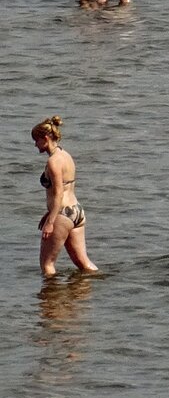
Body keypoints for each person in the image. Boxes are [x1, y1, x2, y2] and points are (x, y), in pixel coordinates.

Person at [32, 116, 97, 277]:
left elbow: (59, 192)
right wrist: (49, 213)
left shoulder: (53, 162)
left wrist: (51, 221)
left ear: (46, 138)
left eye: (37, 140)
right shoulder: (65, 155)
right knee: (83, 263)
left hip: (63, 214)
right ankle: (95, 288)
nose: (35, 144)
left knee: (47, 265)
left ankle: (50, 301)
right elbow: (66, 188)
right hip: (76, 211)